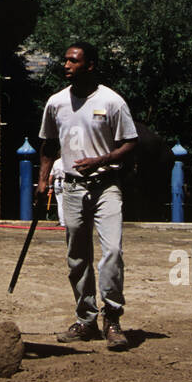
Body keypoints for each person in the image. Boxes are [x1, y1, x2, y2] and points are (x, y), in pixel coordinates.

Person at [37, 42, 138, 351]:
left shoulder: (112, 102)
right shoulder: (56, 103)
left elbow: (131, 143)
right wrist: (42, 182)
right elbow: (48, 145)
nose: (66, 65)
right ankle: (85, 319)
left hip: (106, 186)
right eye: (65, 60)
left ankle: (112, 318)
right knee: (77, 257)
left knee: (112, 252)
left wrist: (101, 160)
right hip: (71, 188)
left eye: (73, 60)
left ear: (90, 65)